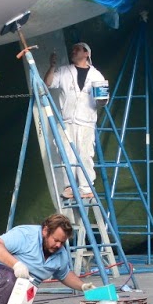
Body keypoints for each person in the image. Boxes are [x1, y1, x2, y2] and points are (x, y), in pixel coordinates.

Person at [46, 42, 109, 198]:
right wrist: (52, 66)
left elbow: (103, 100)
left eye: (77, 49)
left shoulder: (96, 75)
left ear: (86, 53)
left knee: (85, 153)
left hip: (86, 121)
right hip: (67, 120)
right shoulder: (65, 71)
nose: (73, 51)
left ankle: (86, 188)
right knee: (66, 152)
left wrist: (102, 100)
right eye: (72, 49)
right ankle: (70, 186)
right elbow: (48, 83)